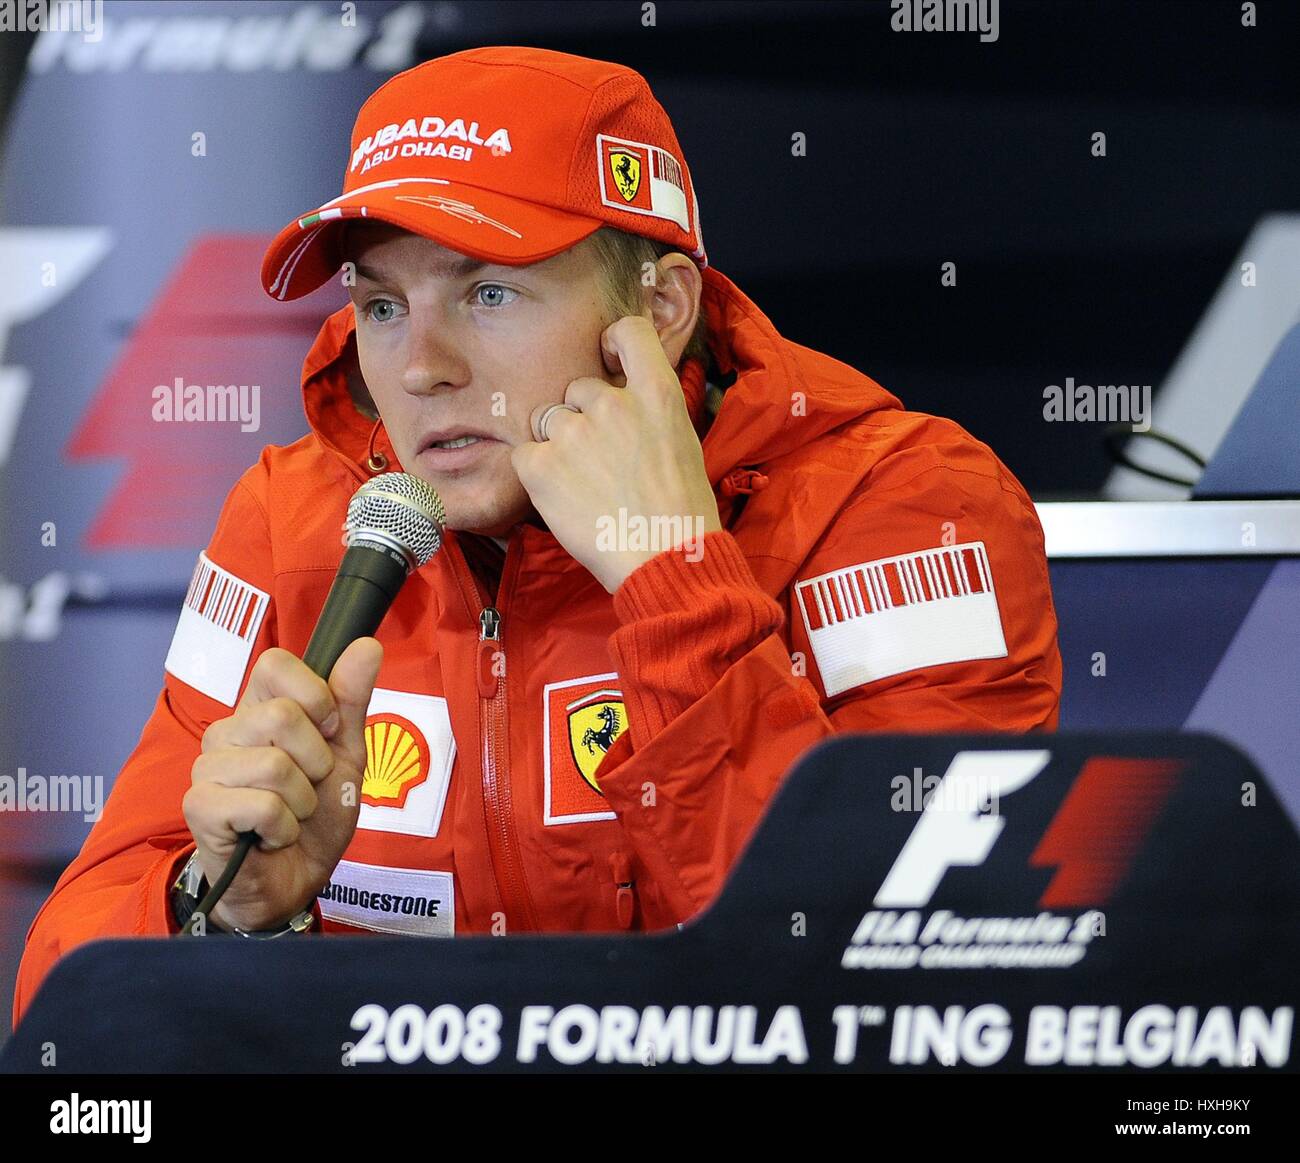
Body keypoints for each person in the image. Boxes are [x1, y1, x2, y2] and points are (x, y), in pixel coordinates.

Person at [13, 46, 1060, 1024]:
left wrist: (673, 576)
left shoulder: (903, 505)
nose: (422, 368)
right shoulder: (296, 516)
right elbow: (64, 999)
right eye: (381, 308)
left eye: (489, 291)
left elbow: (925, 996)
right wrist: (230, 910)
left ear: (659, 310)